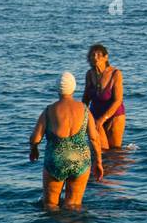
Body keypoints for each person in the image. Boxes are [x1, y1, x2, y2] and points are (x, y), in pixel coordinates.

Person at [30, 71, 103, 209]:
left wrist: (33, 149)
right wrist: (98, 162)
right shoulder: (85, 110)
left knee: (50, 204)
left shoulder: (49, 111)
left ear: (57, 88)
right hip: (80, 160)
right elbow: (94, 138)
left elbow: (35, 138)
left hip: (56, 159)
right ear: (74, 87)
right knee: (73, 205)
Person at [83, 43, 125, 148]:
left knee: (115, 152)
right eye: (92, 55)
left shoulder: (115, 74)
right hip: (95, 115)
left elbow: (118, 100)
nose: (95, 57)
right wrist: (82, 117)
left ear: (106, 57)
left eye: (98, 55)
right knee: (101, 150)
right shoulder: (89, 74)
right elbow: (86, 98)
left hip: (114, 116)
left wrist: (103, 119)